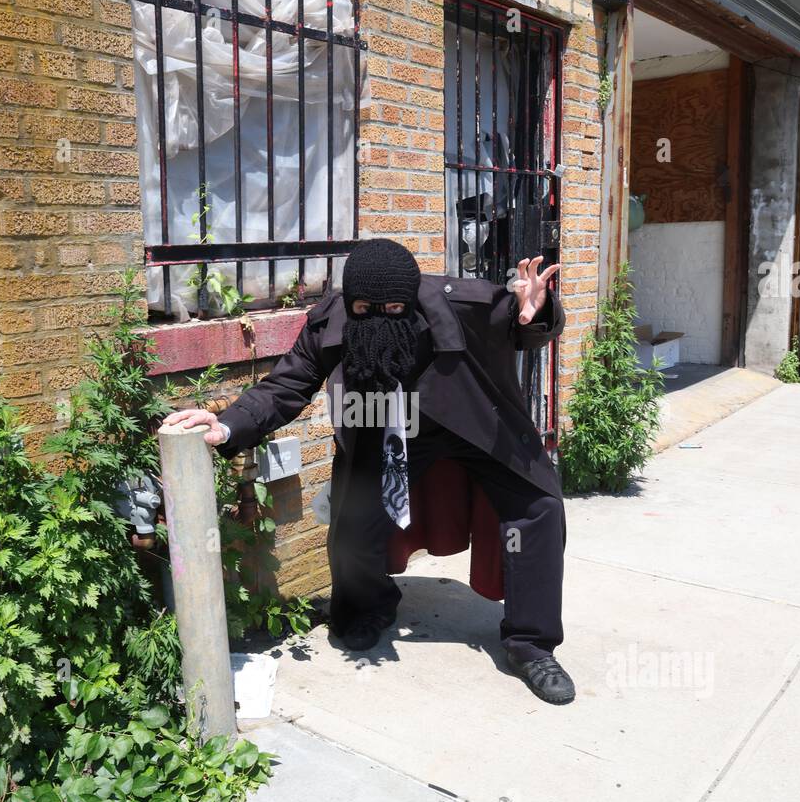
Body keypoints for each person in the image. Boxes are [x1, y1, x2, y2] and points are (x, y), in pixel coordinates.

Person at [162, 239, 574, 705]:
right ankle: (368, 606)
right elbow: (289, 383)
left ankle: (531, 645)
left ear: (411, 298)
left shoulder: (465, 303)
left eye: (395, 308)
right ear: (350, 302)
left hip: (472, 421)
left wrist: (537, 312)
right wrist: (228, 423)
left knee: (538, 507)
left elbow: (524, 327)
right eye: (364, 309)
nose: (379, 316)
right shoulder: (332, 320)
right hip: (387, 424)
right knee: (355, 519)